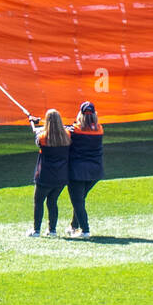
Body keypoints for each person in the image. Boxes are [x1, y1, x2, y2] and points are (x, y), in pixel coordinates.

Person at [25, 108, 69, 237]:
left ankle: (36, 230)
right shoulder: (67, 135)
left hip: (45, 176)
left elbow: (36, 132)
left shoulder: (43, 137)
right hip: (61, 176)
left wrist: (33, 122)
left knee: (38, 202)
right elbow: (65, 128)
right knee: (52, 202)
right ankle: (52, 230)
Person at [65, 100, 103, 239]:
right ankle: (73, 226)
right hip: (95, 172)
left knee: (78, 201)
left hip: (77, 172)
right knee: (80, 199)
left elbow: (62, 131)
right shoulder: (99, 129)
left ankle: (85, 230)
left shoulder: (74, 130)